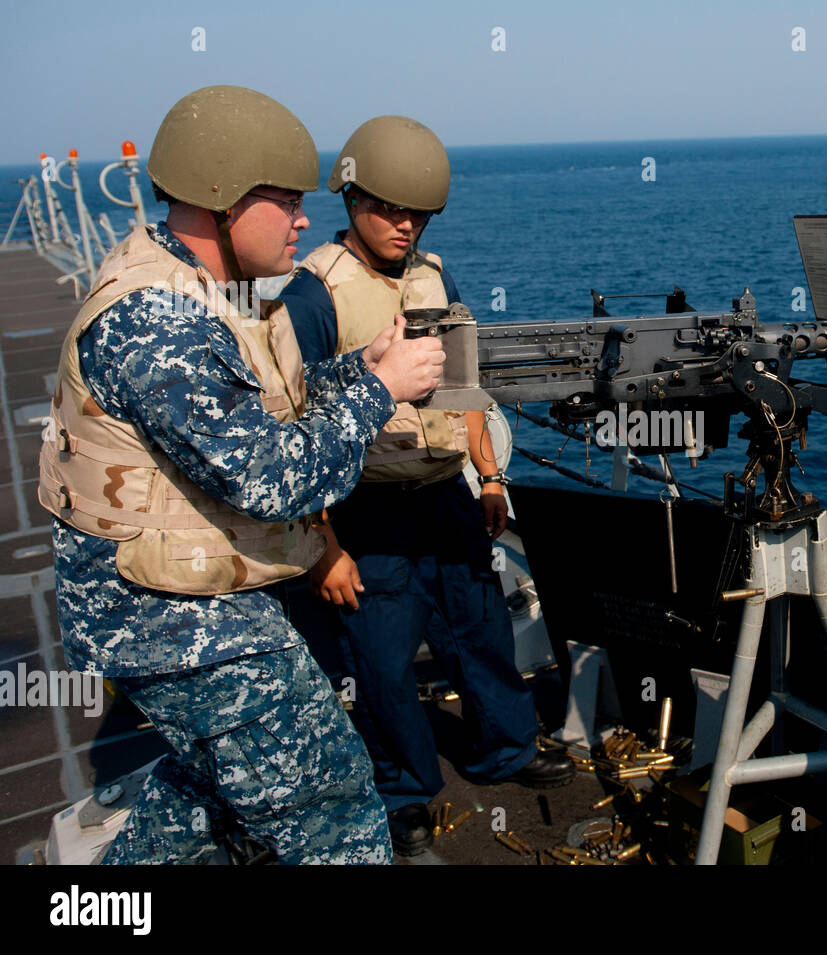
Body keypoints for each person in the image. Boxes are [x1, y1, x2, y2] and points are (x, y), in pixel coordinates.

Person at [39, 86, 445, 864]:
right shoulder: (158, 322)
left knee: (215, 793)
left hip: (170, 594)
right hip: (166, 616)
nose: (301, 219)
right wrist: (381, 390)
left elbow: (258, 399)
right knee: (335, 802)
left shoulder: (191, 287)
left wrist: (359, 368)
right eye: (285, 201)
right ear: (223, 201)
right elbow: (276, 479)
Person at [278, 115, 572, 856]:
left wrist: (491, 476)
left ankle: (505, 750)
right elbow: (295, 428)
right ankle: (404, 788)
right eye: (389, 208)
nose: (404, 224)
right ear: (353, 201)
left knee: (481, 627)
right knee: (378, 660)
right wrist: (324, 547)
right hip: (364, 508)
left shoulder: (433, 275)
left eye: (418, 212)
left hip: (445, 489)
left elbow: (462, 384)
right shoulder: (314, 297)